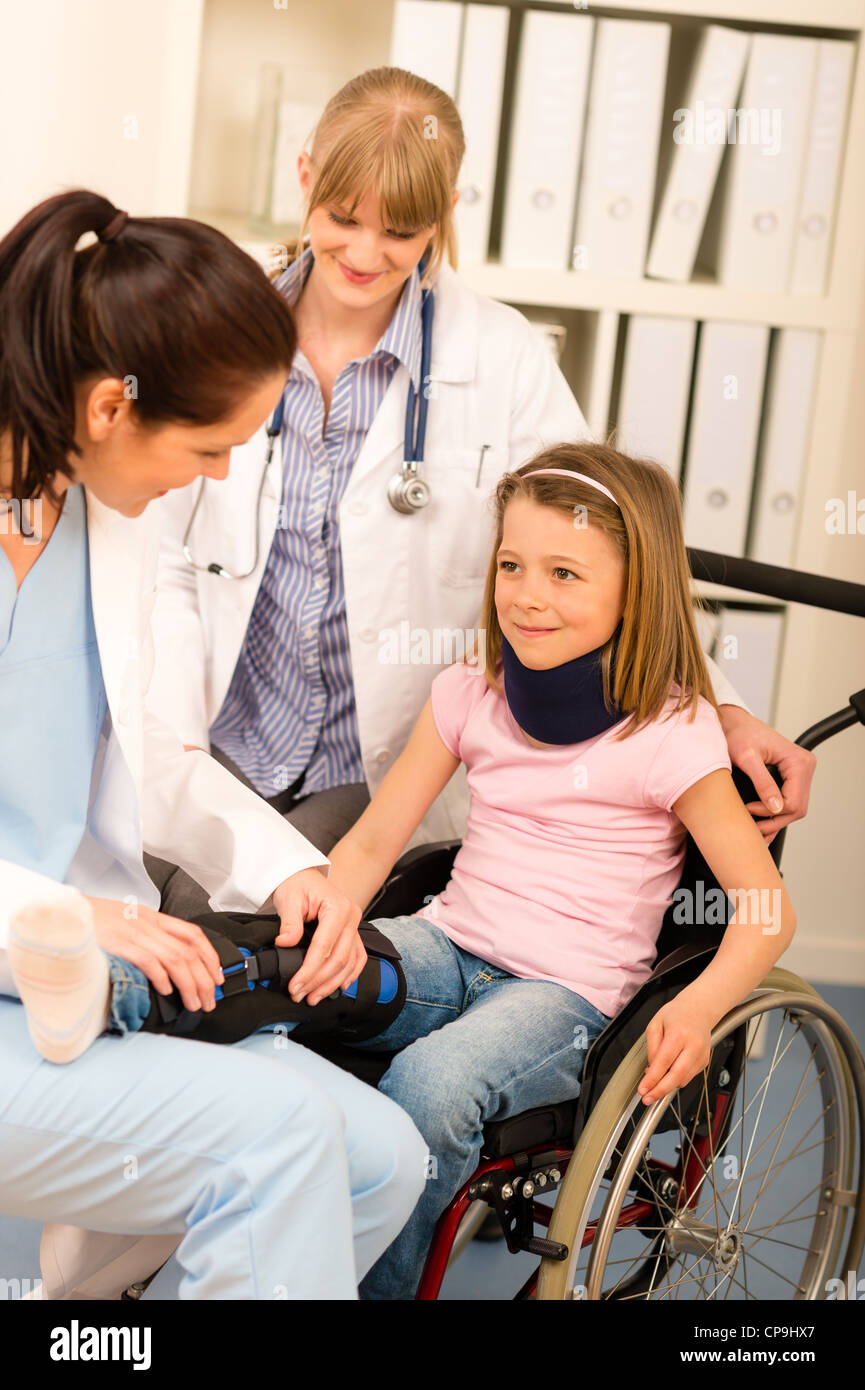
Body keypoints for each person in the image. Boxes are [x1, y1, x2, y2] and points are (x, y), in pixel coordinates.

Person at [143, 67, 814, 923]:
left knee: (237, 936)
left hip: (372, 766)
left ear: (446, 210)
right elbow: (155, 548)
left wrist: (723, 707)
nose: (362, 254)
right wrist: (171, 737)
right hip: (217, 730)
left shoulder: (501, 359)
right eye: (342, 217)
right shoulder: (220, 321)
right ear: (305, 175)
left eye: (401, 231)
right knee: (140, 899)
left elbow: (607, 551)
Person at [0, 189, 427, 1300]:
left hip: (89, 980)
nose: (223, 476)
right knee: (281, 1137)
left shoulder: (108, 523)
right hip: (35, 966)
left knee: (383, 1165)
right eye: (208, 444)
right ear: (106, 408)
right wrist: (75, 917)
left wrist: (295, 868)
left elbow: (165, 759)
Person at [322, 441, 798, 1299]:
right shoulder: (472, 689)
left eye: (564, 574)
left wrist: (697, 1008)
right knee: (305, 993)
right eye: (511, 564)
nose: (526, 596)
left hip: (567, 999)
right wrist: (324, 929)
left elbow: (766, 910)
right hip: (450, 945)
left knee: (433, 1085)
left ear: (635, 587)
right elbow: (369, 846)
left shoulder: (671, 732)